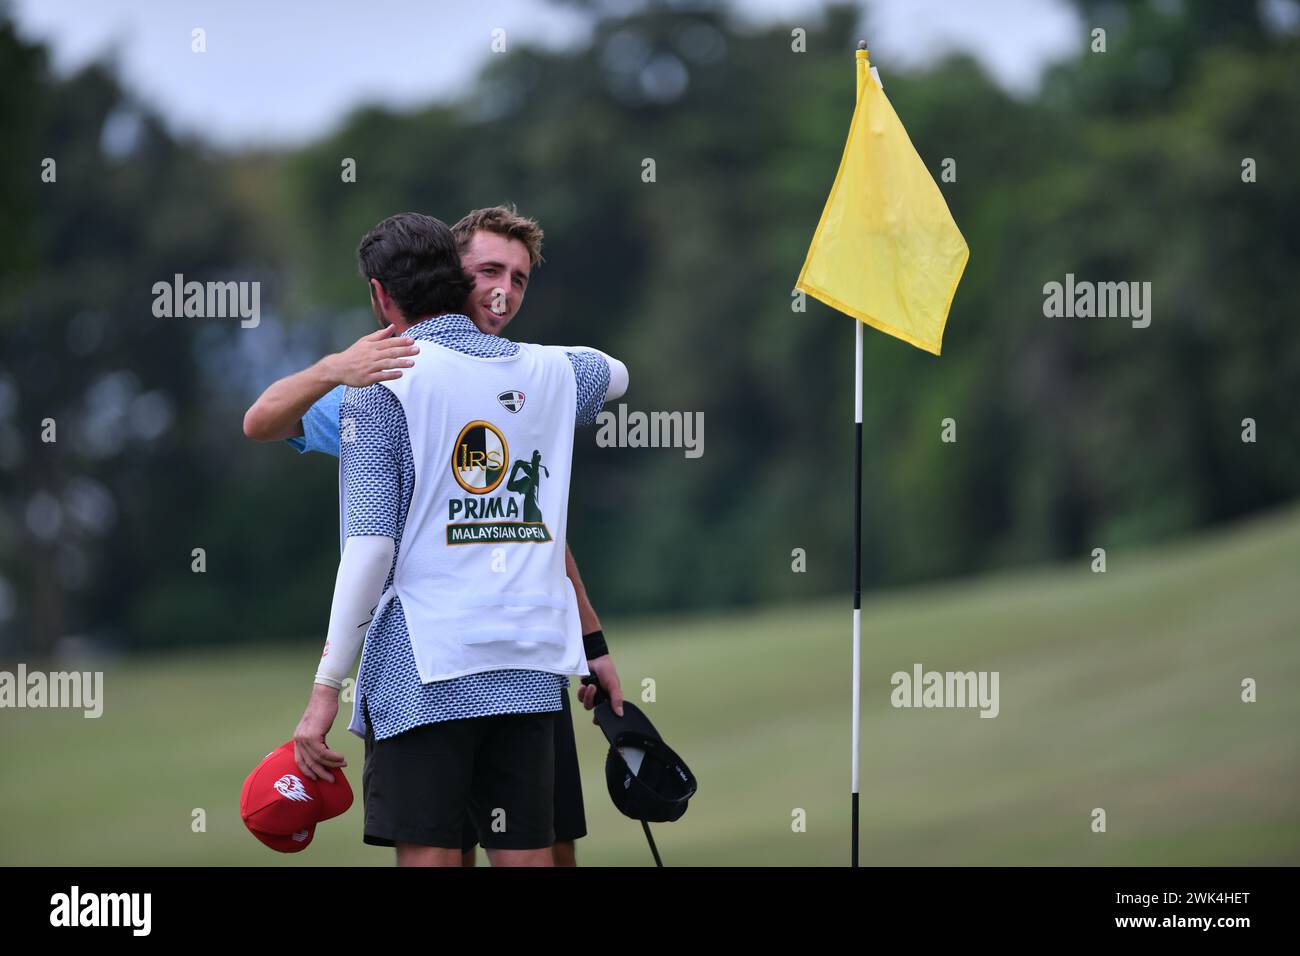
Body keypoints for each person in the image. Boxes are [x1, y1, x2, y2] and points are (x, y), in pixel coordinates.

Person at [253, 210, 625, 866]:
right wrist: (338, 367)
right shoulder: (543, 374)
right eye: (489, 272)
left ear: (381, 294)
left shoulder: (388, 386)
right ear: (453, 278)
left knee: (481, 852)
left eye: (518, 279)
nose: (502, 292)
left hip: (431, 663)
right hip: (527, 659)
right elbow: (614, 373)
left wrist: (325, 689)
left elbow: (528, 534)